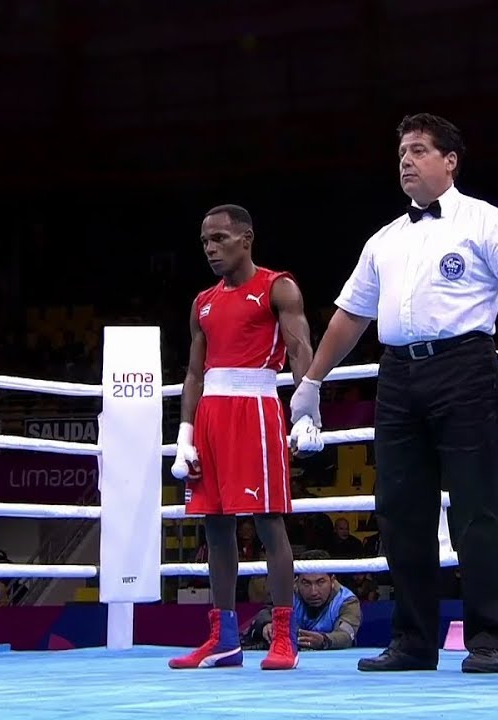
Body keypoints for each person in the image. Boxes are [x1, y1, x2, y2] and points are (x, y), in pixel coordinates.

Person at [289, 113, 498, 674]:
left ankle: (490, 640)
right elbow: (349, 317)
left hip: (465, 369)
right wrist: (312, 382)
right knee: (399, 513)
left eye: (418, 150)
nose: (406, 161)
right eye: (401, 153)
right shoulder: (384, 239)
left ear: (450, 161)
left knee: (476, 509)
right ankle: (414, 641)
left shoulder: (486, 221)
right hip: (396, 375)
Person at [169, 204, 316, 671]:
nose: (210, 249)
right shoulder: (202, 302)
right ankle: (224, 640)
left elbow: (300, 349)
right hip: (210, 415)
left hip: (256, 410)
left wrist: (305, 413)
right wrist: (185, 433)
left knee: (269, 523)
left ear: (246, 238)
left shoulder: (278, 286)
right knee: (215, 526)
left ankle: (284, 638)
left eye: (220, 239)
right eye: (205, 242)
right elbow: (195, 373)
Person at [243, 550, 363, 652]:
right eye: (306, 583)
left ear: (332, 580)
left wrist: (324, 640)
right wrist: (266, 624)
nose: (313, 591)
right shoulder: (288, 593)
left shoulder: (347, 601)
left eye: (320, 582)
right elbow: (265, 613)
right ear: (296, 581)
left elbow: (346, 635)